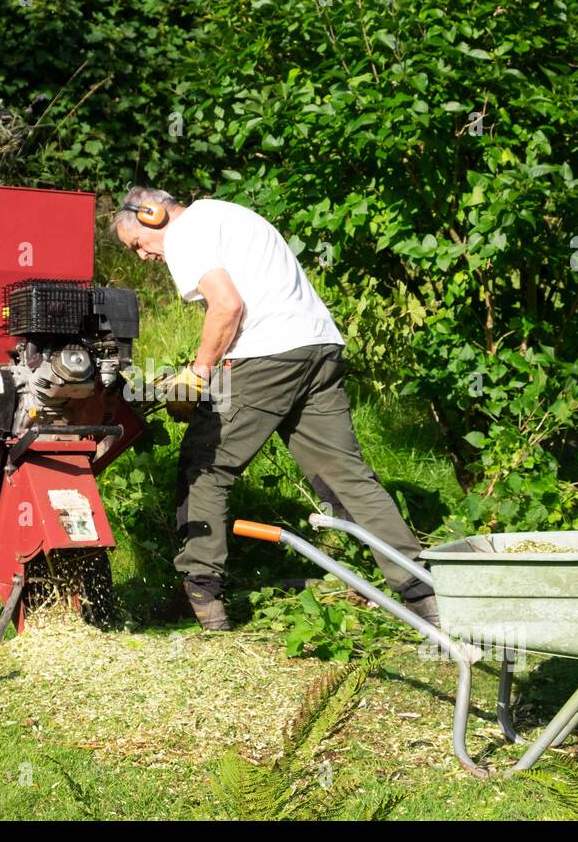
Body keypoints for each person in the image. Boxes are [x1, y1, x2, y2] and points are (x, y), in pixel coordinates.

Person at [112, 186, 439, 631]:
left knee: (206, 466)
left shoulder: (186, 232)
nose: (144, 257)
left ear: (150, 215)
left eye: (137, 246)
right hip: (319, 346)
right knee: (345, 474)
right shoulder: (228, 215)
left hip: (268, 355)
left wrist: (197, 375)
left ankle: (204, 598)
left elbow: (227, 306)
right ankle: (424, 593)